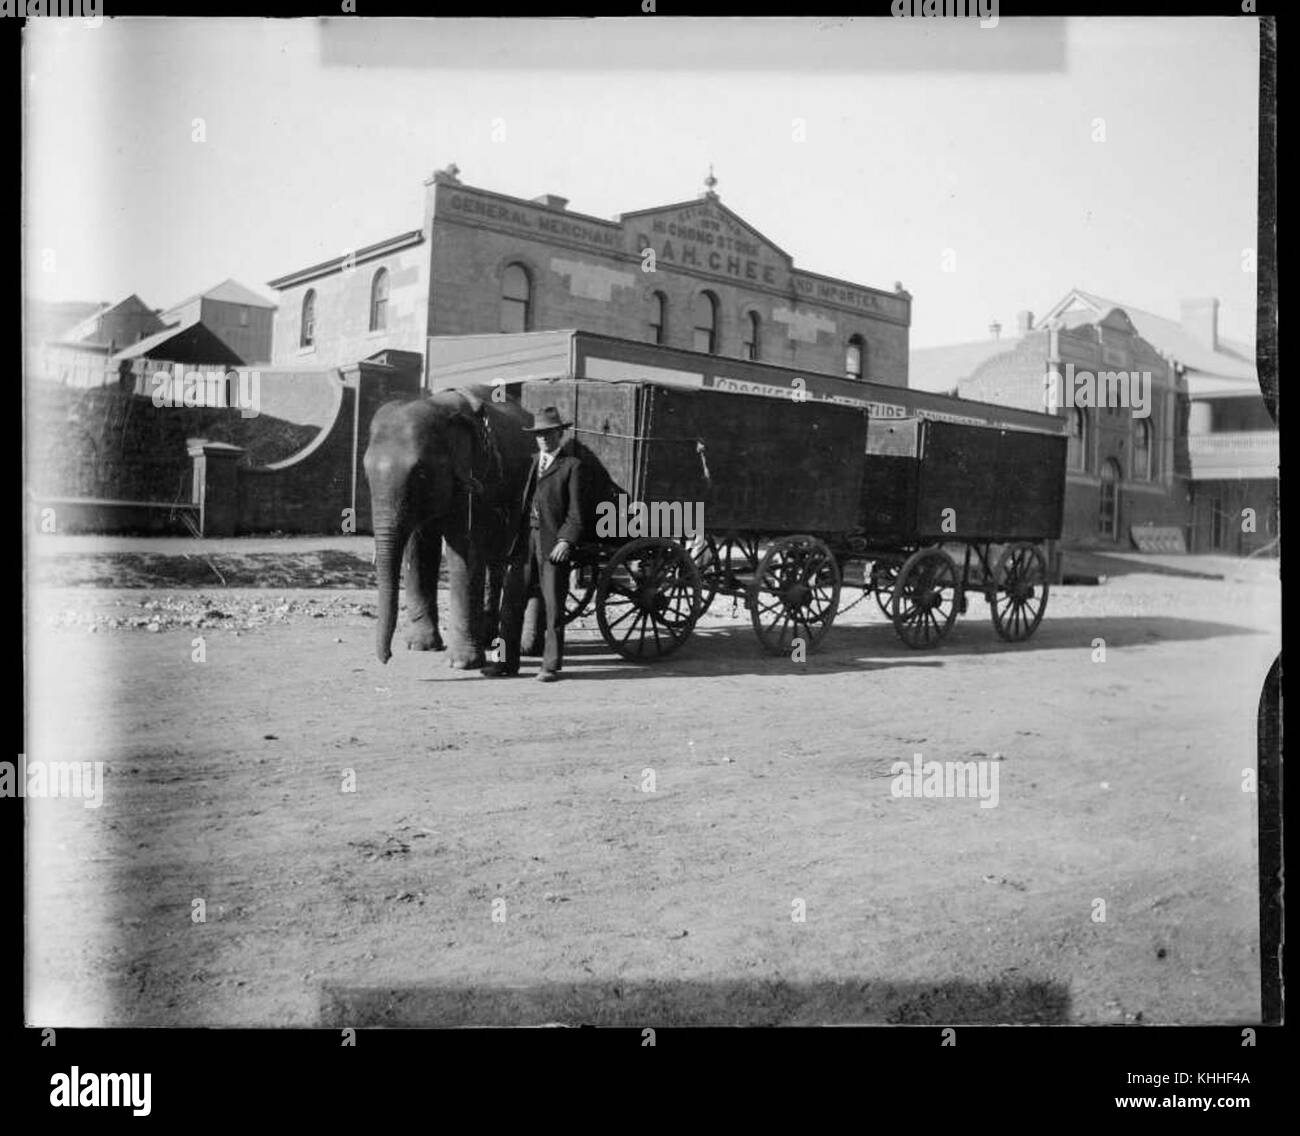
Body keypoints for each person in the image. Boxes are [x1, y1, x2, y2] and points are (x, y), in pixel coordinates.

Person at [483, 406, 584, 682]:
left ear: (560, 434)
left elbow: (576, 513)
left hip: (552, 544)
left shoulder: (571, 467)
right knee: (510, 605)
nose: (543, 439)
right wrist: (480, 489)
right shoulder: (527, 463)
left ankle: (549, 666)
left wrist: (566, 540)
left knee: (553, 607)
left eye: (549, 433)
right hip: (523, 542)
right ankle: (504, 663)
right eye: (539, 434)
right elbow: (507, 495)